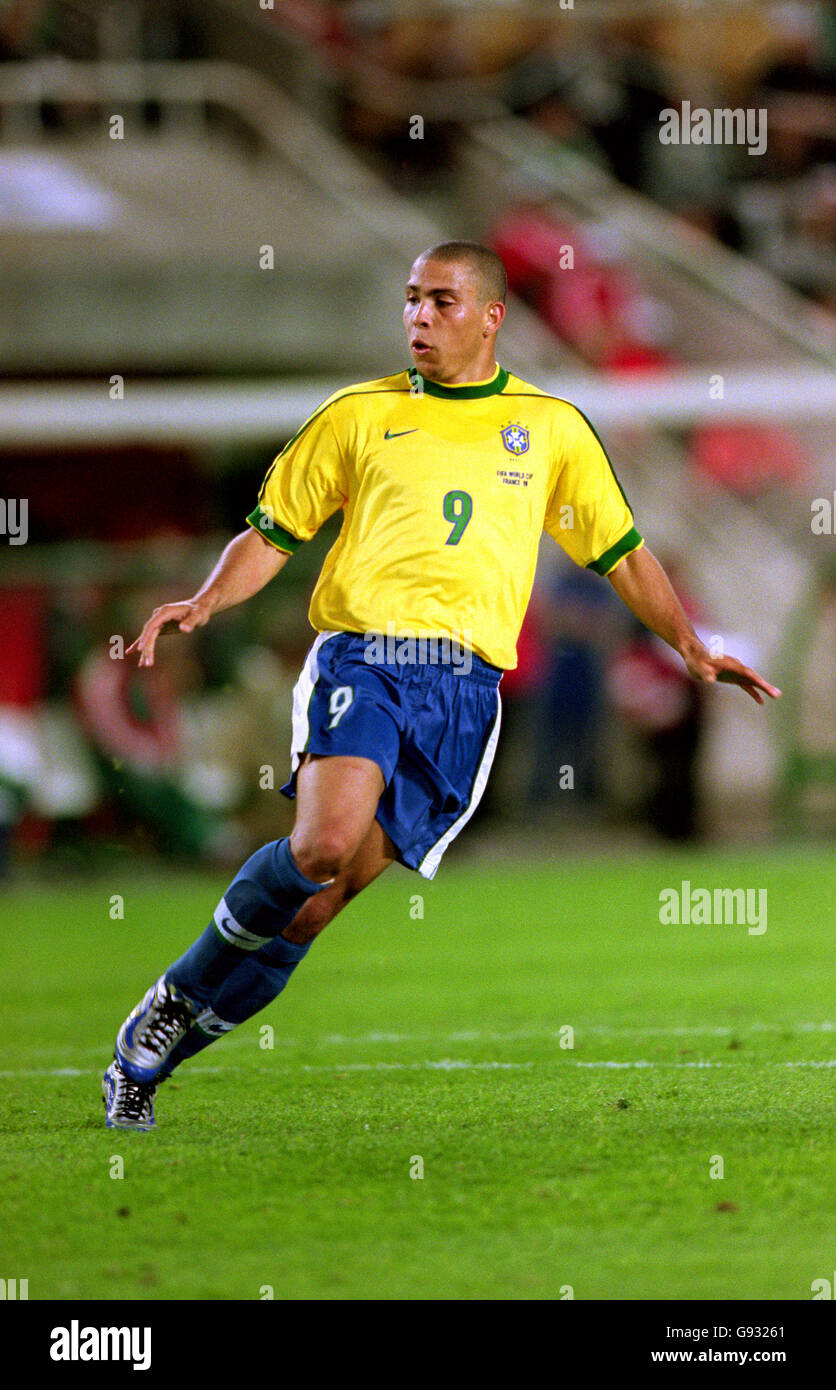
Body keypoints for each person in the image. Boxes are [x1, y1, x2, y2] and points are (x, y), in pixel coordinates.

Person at [102, 241, 781, 1129]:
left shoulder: (549, 429)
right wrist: (204, 600)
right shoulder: (358, 415)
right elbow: (272, 533)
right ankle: (168, 997)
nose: (420, 317)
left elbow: (621, 552)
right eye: (412, 301)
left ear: (493, 316)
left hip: (466, 694)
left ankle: (147, 1067)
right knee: (319, 847)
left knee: (312, 911)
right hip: (367, 658)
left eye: (443, 302)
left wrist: (690, 647)